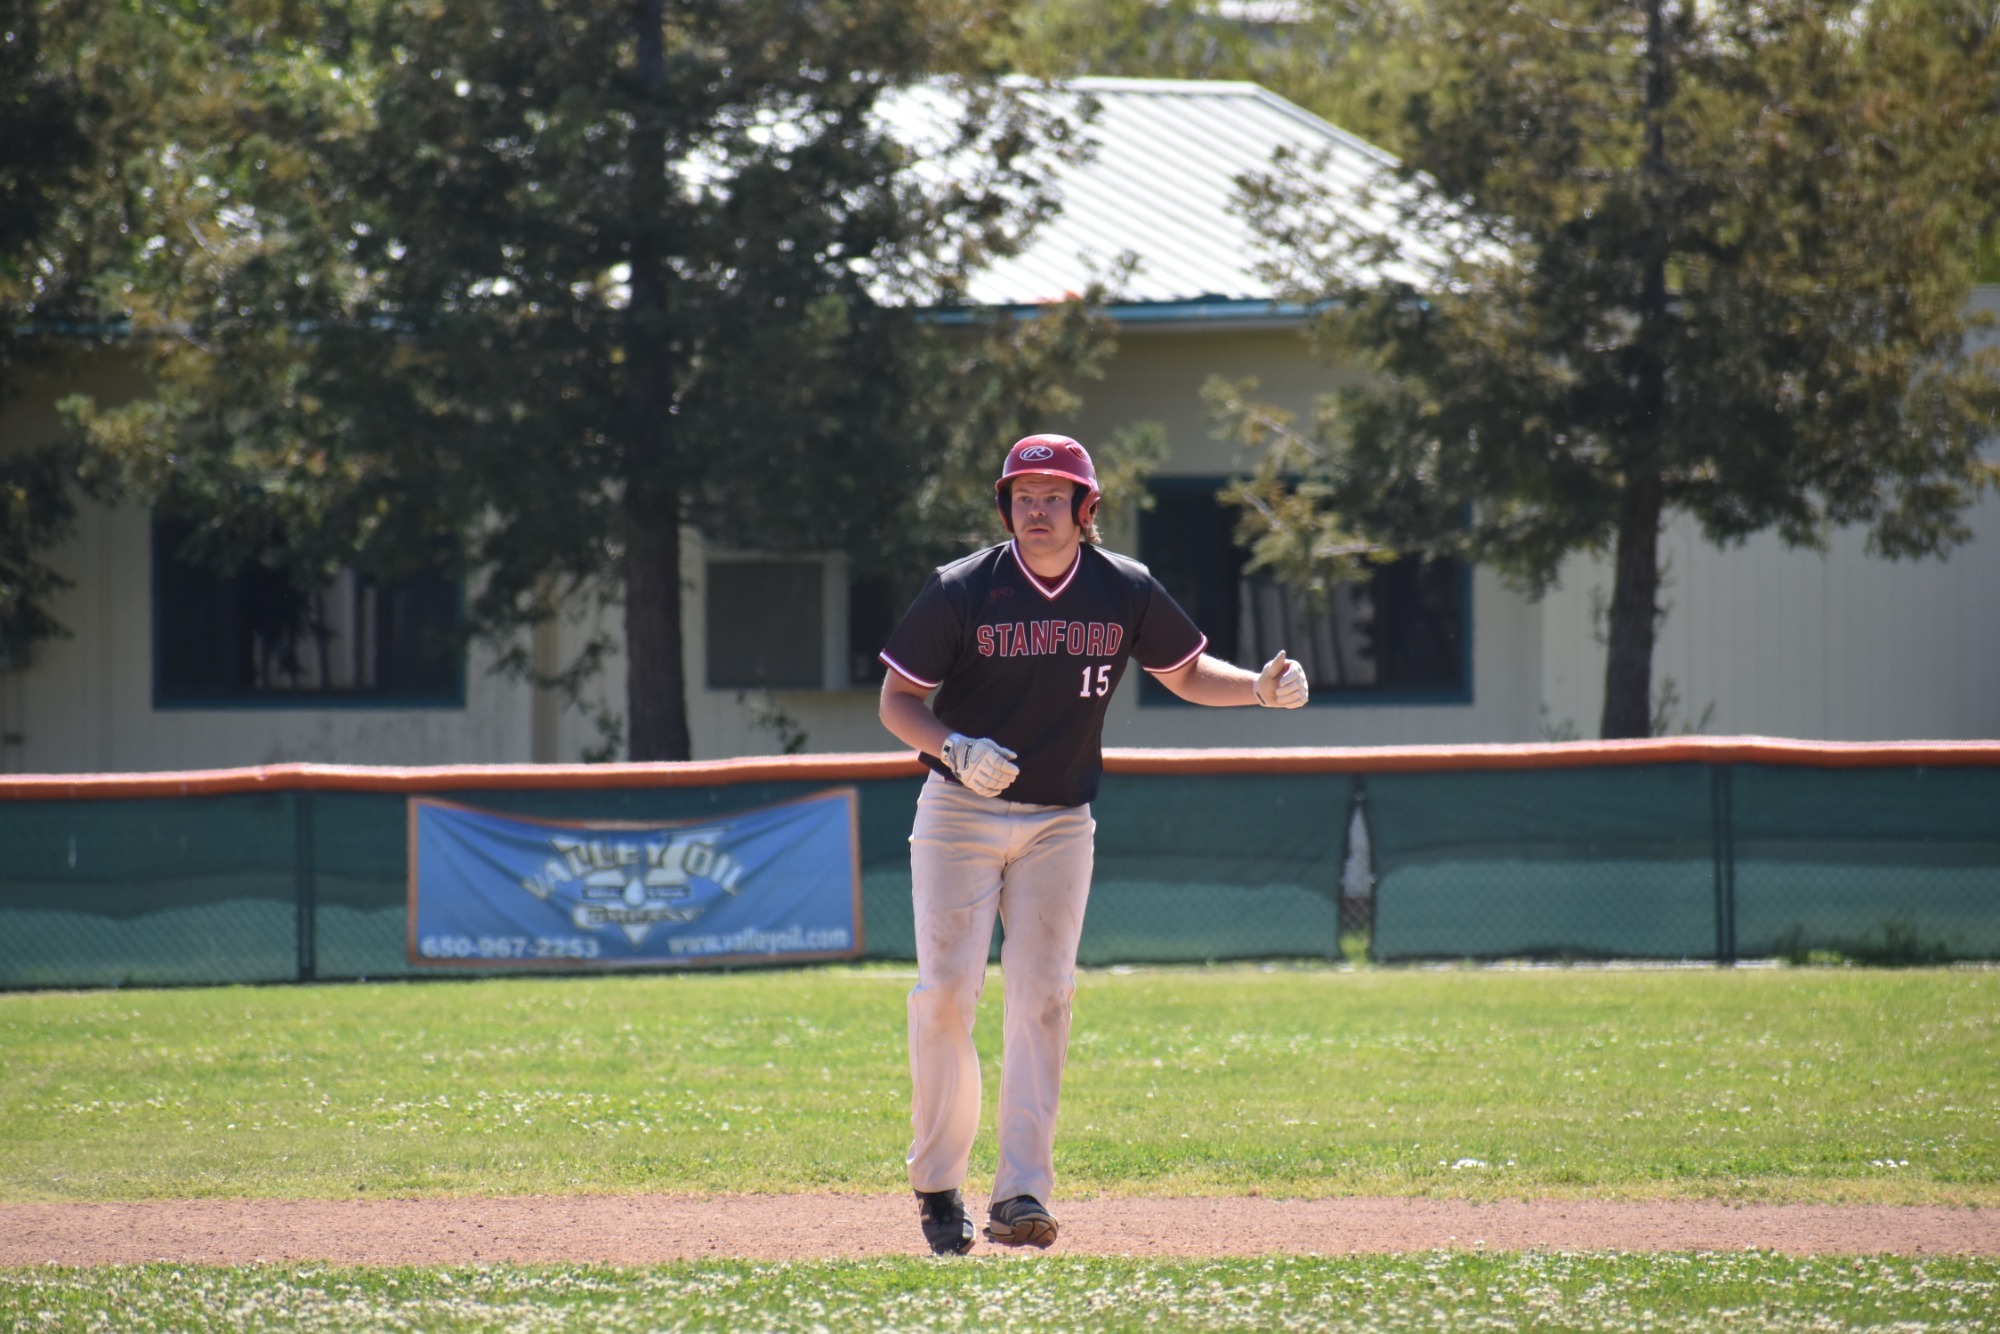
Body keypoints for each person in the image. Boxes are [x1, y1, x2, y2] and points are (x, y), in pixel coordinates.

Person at [875, 433, 1309, 1255]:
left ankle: (1021, 1193)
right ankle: (938, 1185)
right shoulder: (963, 587)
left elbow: (1184, 671)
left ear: (1086, 509)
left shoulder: (1121, 588)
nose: (1037, 510)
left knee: (1044, 995)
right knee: (945, 996)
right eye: (1023, 496)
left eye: (1054, 495)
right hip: (959, 812)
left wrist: (1256, 688)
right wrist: (952, 747)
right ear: (1006, 506)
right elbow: (899, 699)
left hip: (1059, 822)